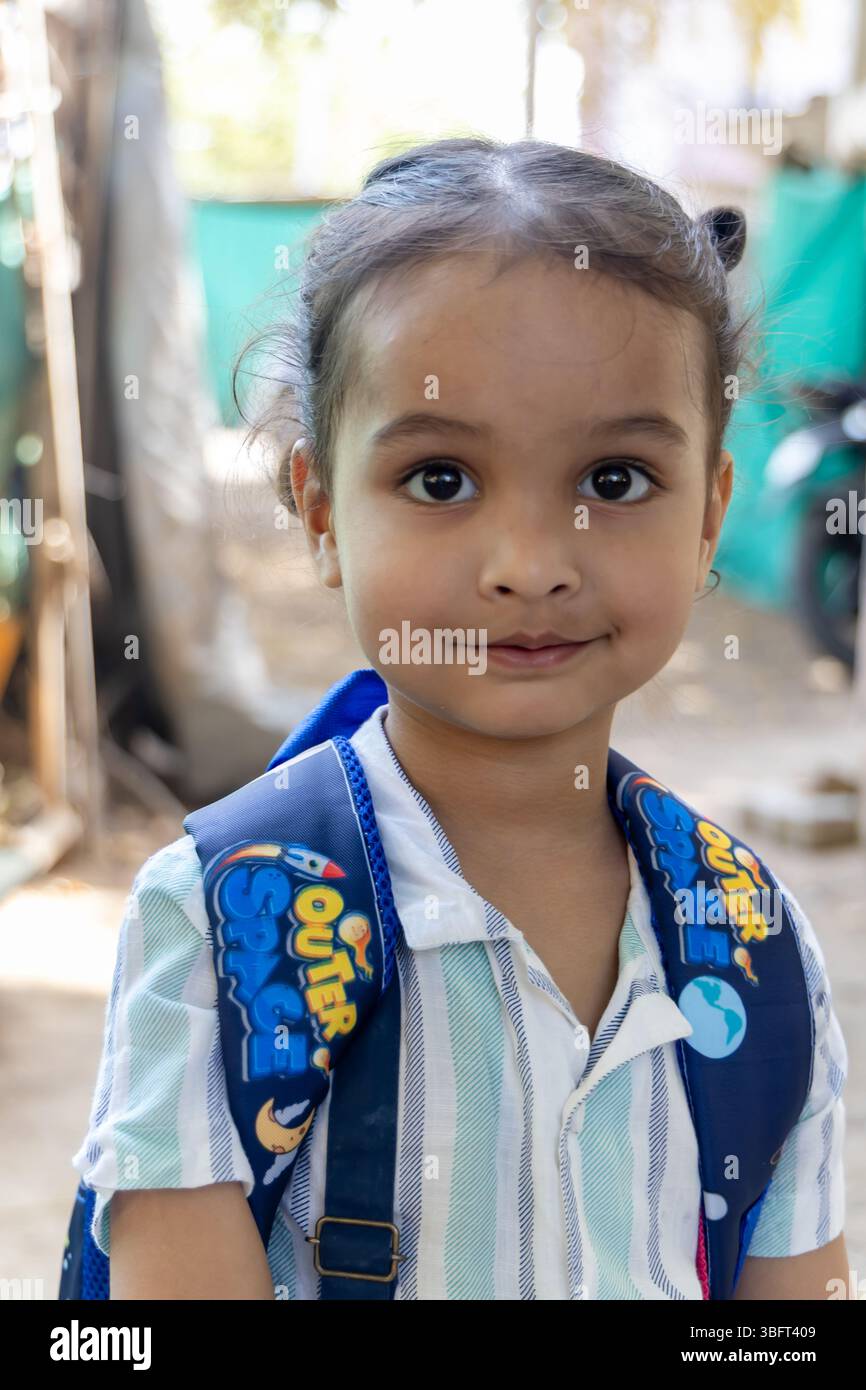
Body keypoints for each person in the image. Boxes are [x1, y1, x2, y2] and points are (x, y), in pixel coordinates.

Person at [71, 136, 849, 1300]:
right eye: (440, 478)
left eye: (614, 480)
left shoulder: (751, 941)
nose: (531, 564)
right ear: (320, 510)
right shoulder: (224, 929)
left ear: (707, 517)